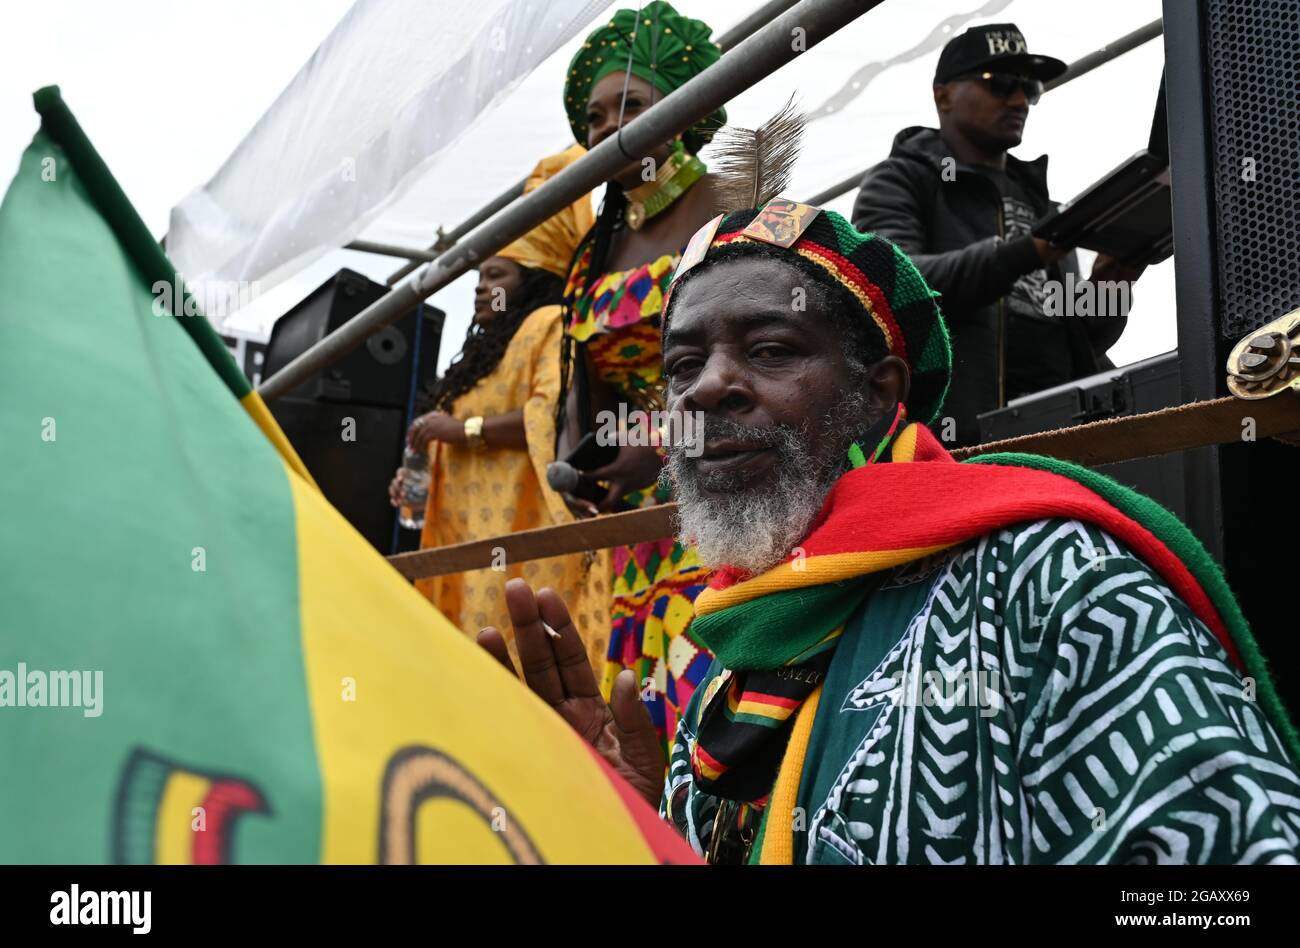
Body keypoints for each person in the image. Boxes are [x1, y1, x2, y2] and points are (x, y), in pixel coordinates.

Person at [478, 197, 1300, 864]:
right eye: (683, 367)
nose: (708, 388)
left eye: (768, 349)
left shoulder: (1047, 575)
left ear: (880, 392)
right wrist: (638, 830)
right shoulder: (729, 643)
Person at [555, 1, 727, 745]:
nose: (607, 129)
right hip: (640, 523)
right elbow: (581, 382)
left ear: (681, 113)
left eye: (630, 105)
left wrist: (663, 440)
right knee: (641, 706)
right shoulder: (596, 248)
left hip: (729, 493)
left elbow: (765, 356)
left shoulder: (728, 202)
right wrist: (576, 467)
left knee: (718, 698)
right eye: (595, 118)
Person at [852, 23, 1144, 446]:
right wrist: (1024, 253)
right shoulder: (901, 180)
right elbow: (895, 284)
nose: (1019, 99)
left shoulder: (1044, 205)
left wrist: (1109, 286)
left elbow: (1079, 334)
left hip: (1062, 432)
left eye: (1031, 88)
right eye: (1000, 83)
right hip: (960, 443)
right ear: (943, 94)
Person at [390, 145, 603, 671]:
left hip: (514, 539)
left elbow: (546, 418)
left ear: (531, 282)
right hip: (460, 544)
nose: (483, 289)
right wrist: (420, 480)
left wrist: (461, 430)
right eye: (479, 279)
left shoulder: (546, 324)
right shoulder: (480, 359)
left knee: (502, 667)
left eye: (498, 277)